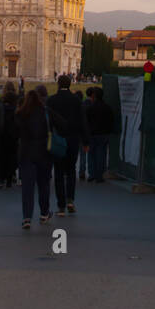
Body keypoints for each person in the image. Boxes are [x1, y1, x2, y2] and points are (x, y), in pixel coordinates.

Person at [47, 75, 87, 216]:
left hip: (58, 140)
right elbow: (83, 122)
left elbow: (48, 123)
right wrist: (86, 141)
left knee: (58, 172)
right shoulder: (76, 101)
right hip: (73, 140)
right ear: (70, 84)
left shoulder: (51, 100)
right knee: (70, 171)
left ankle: (61, 206)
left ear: (58, 84)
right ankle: (70, 200)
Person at [15, 86, 54, 229]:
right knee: (43, 185)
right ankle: (44, 213)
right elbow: (61, 124)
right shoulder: (45, 112)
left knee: (27, 187)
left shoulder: (20, 114)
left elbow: (15, 132)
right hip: (43, 153)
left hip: (26, 153)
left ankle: (27, 217)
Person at [86, 86, 113, 182]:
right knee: (101, 154)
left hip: (92, 133)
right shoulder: (107, 108)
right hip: (103, 133)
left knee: (91, 154)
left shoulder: (90, 108)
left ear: (94, 96)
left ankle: (92, 174)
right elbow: (111, 121)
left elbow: (87, 121)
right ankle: (100, 175)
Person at [0, 81, 19, 188]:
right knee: (12, 156)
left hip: (2, 134)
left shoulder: (0, 102)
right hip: (13, 134)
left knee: (1, 156)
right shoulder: (17, 105)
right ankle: (11, 176)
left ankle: (0, 178)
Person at [76, 89, 90, 181]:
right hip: (82, 134)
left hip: (74, 134)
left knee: (72, 154)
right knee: (83, 155)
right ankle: (82, 172)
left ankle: (69, 171)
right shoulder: (85, 107)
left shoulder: (72, 108)